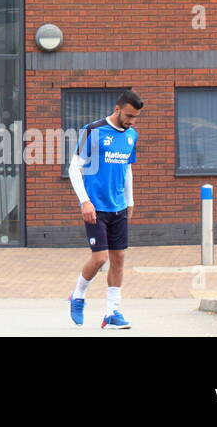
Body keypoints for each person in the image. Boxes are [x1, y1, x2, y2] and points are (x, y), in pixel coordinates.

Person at [67, 90, 143, 329]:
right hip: (95, 207)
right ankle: (77, 295)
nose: (132, 121)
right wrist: (84, 201)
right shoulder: (93, 130)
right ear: (117, 108)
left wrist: (130, 201)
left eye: (136, 117)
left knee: (118, 258)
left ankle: (112, 312)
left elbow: (127, 168)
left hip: (118, 207)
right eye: (129, 115)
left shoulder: (131, 135)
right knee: (100, 258)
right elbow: (73, 168)